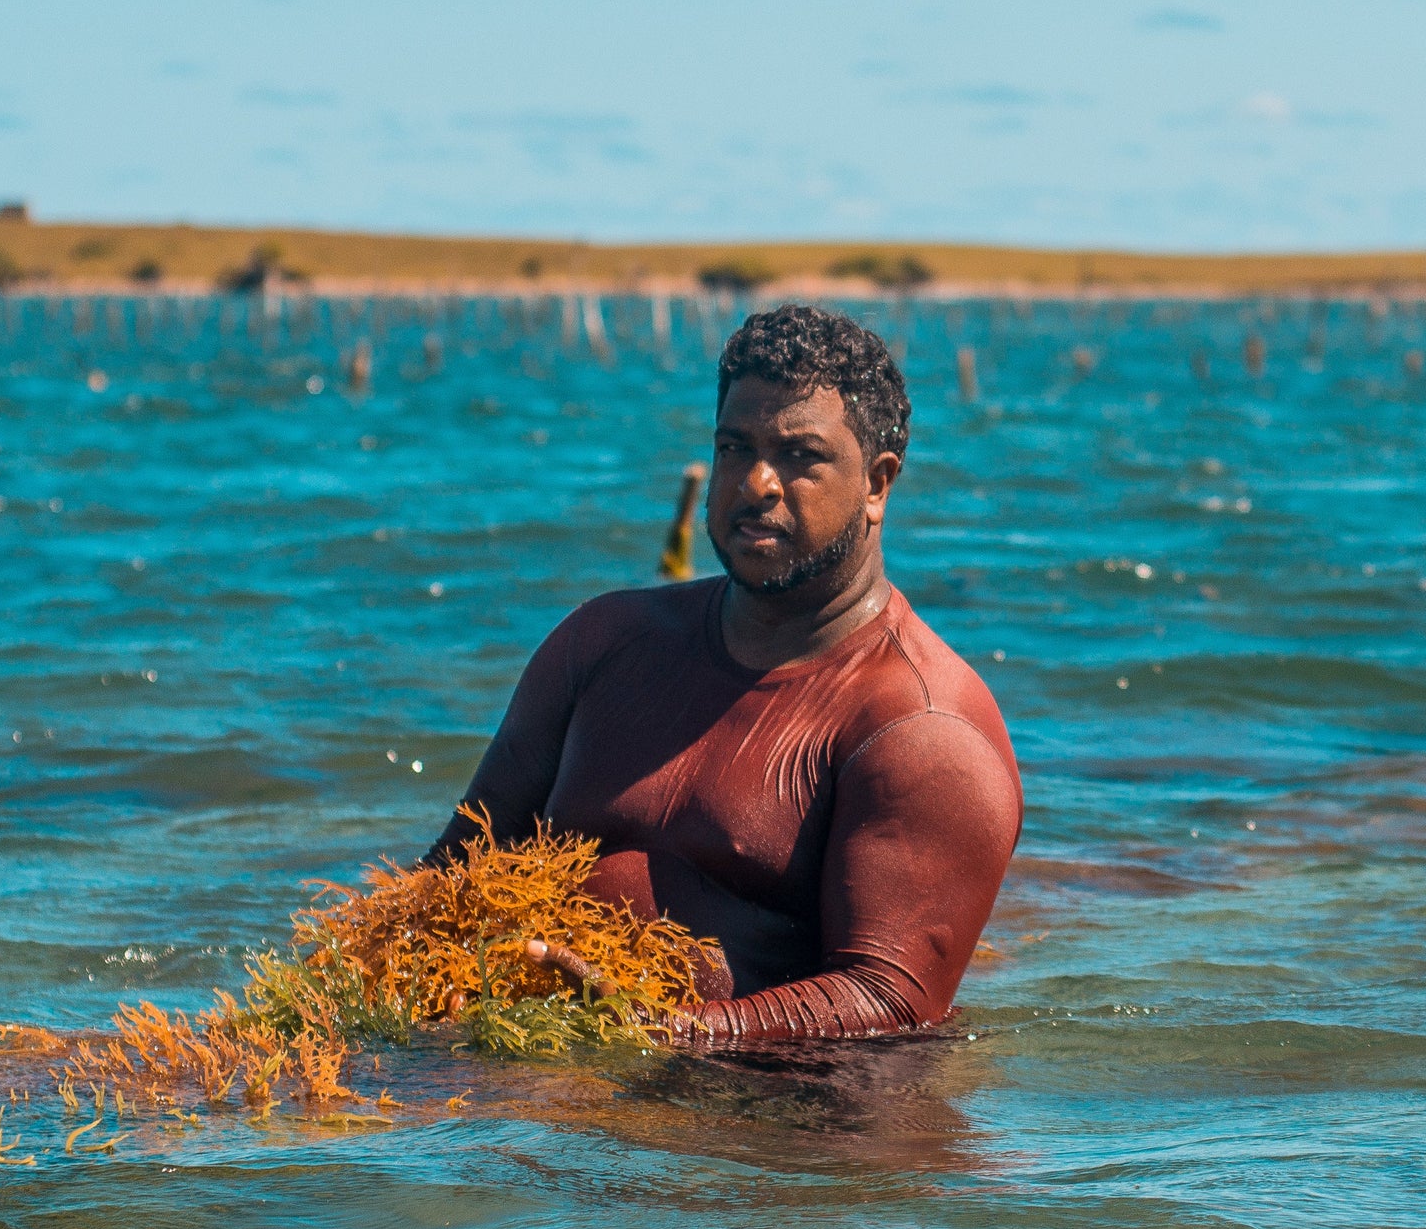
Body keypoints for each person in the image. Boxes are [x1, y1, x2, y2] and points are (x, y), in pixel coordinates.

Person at [424, 305, 1022, 1041]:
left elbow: (892, 1004)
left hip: (757, 1125)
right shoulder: (603, 642)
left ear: (877, 483)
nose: (757, 481)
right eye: (736, 447)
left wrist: (672, 1034)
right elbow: (455, 868)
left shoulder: (921, 729)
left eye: (800, 455)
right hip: (547, 1073)